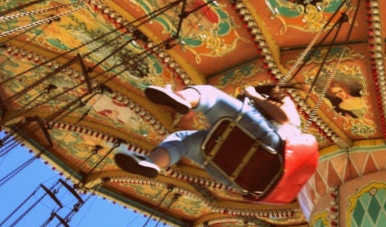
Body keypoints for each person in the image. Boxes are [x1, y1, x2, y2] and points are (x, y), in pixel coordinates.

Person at [114, 83, 318, 203]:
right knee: (183, 139)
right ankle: (150, 163)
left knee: (212, 96)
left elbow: (284, 118)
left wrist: (254, 95)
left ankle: (182, 97)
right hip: (243, 177)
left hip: (269, 149)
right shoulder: (250, 123)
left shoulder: (284, 105)